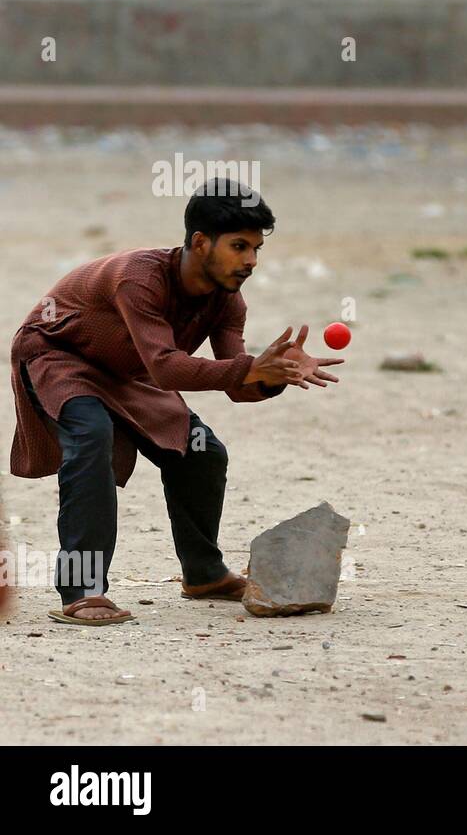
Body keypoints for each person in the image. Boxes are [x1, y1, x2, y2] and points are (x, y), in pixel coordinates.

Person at [9, 179, 343, 624]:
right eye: (239, 246)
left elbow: (237, 384)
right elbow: (168, 369)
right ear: (200, 242)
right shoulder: (140, 278)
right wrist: (249, 367)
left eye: (257, 249)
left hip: (128, 371)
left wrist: (275, 374)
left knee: (203, 452)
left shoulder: (227, 301)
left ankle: (204, 573)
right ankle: (82, 591)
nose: (250, 261)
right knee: (93, 438)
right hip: (57, 355)